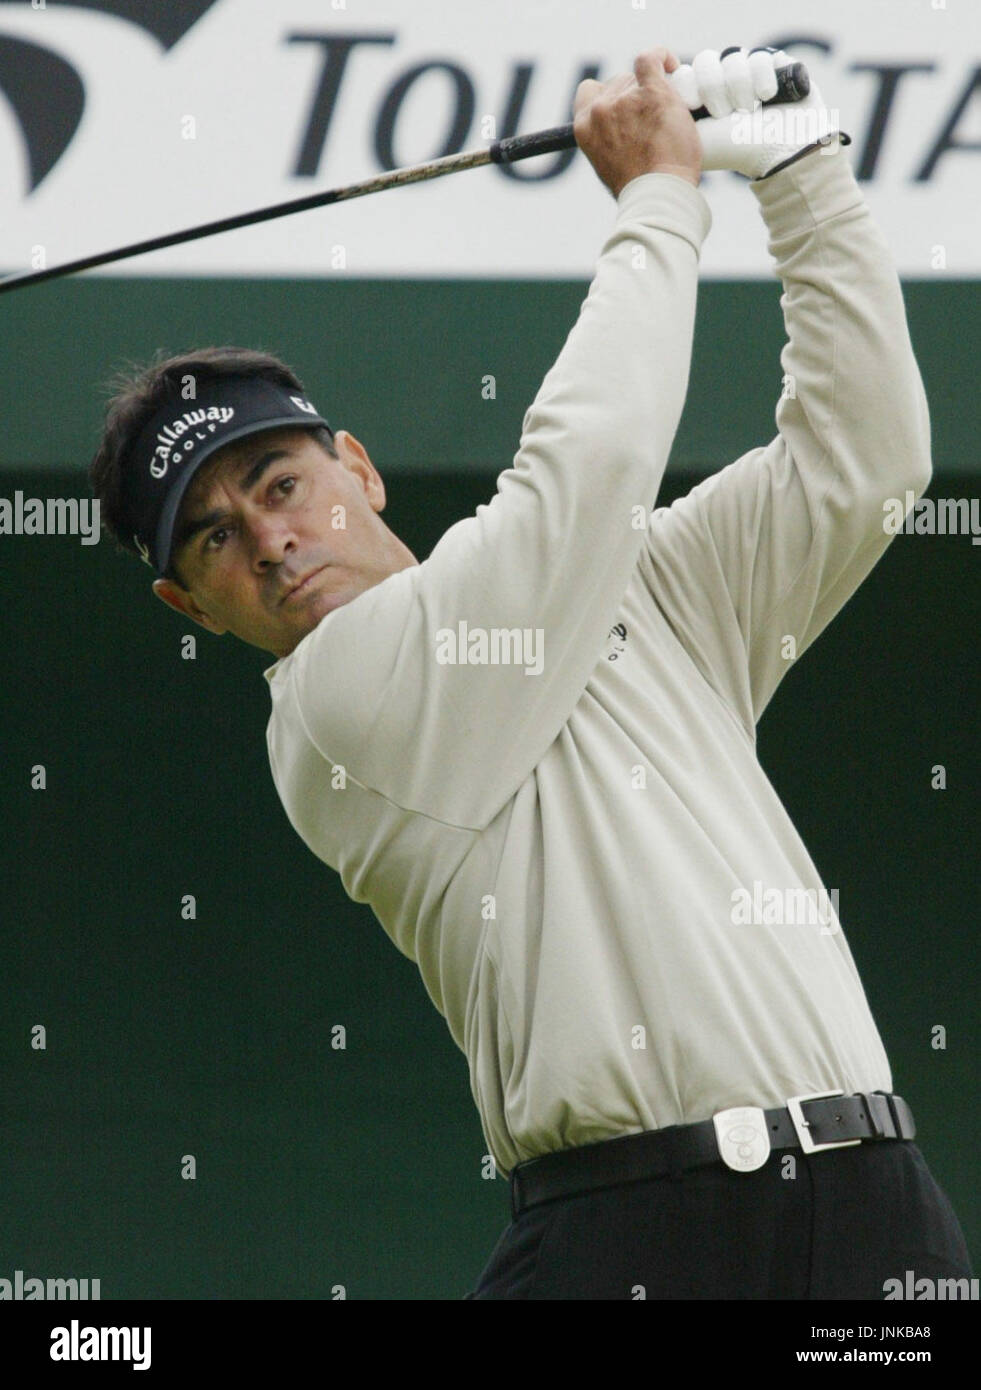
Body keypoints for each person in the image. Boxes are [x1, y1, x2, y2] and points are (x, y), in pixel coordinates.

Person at [89, 46, 973, 1299]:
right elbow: (585, 472)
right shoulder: (336, 714)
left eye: (283, 487)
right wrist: (660, 198)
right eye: (216, 538)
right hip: (632, 1233)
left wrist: (802, 170)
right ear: (192, 606)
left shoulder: (633, 584)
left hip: (882, 1214)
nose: (274, 542)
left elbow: (864, 458)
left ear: (361, 469)